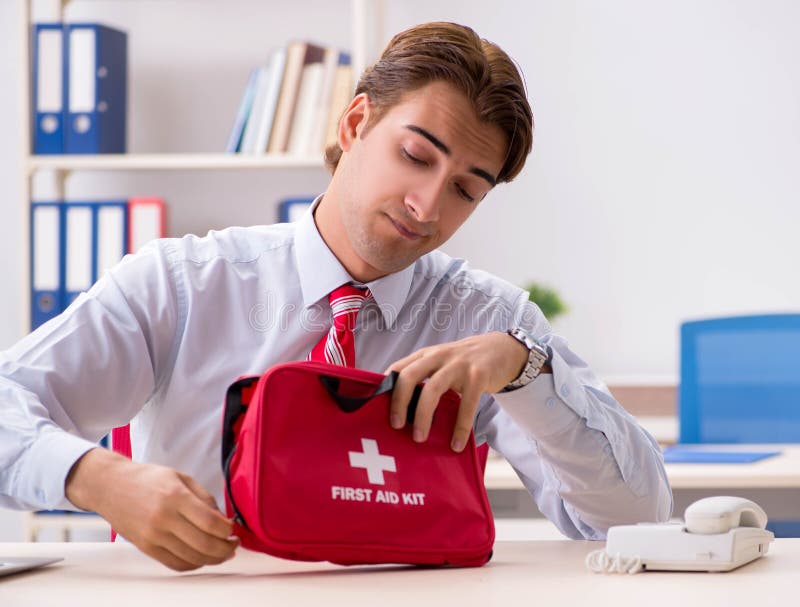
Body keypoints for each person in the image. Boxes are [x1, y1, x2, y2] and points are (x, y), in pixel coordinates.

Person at [0, 22, 672, 570]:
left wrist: (525, 370)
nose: (426, 205)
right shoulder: (183, 282)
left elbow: (637, 517)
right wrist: (94, 477)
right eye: (416, 155)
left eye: (466, 190)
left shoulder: (487, 322)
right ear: (354, 125)